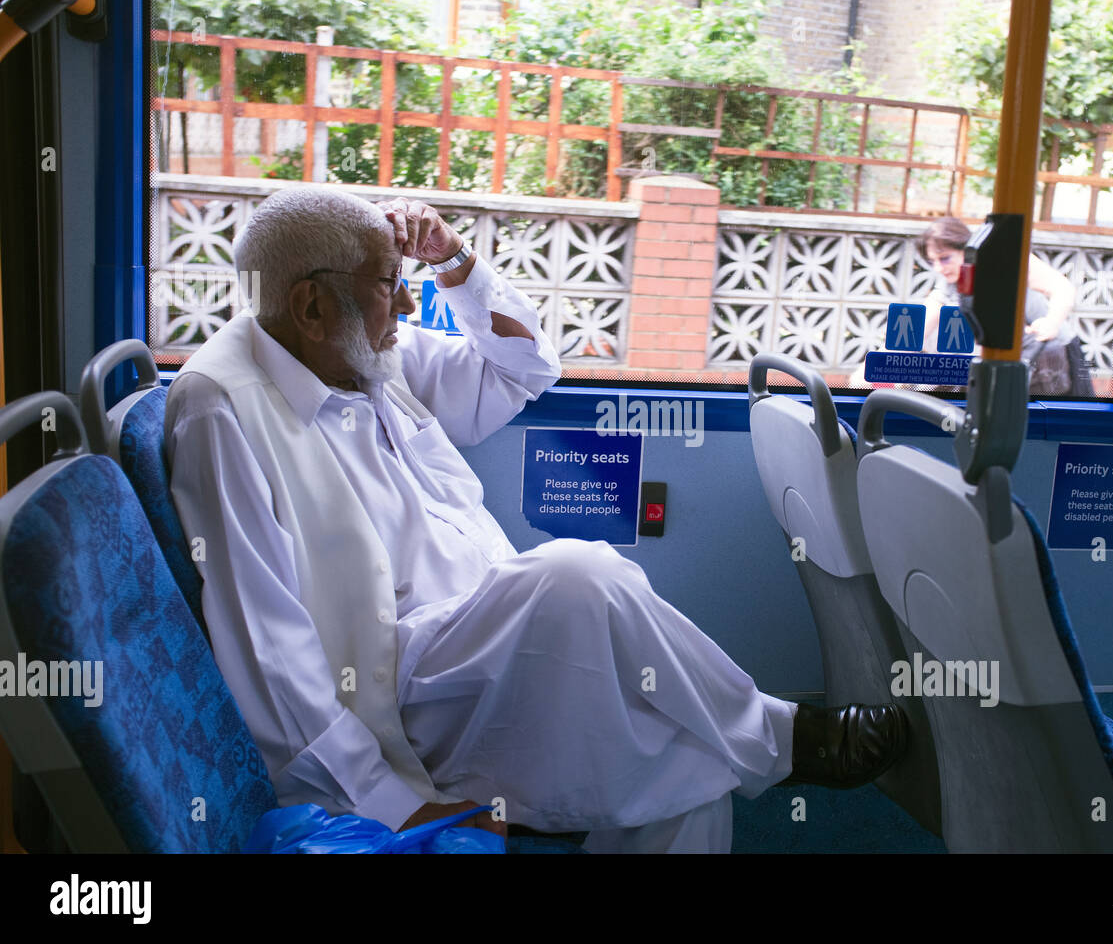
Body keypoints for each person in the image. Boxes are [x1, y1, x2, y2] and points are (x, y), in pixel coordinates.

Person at [163, 186, 907, 853]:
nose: (410, 307)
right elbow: (269, 644)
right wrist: (393, 802)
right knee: (576, 571)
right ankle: (783, 736)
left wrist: (453, 260)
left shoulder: (364, 352)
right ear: (311, 306)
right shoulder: (223, 409)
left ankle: (753, 742)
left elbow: (523, 371)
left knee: (693, 770)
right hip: (408, 694)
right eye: (391, 286)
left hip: (499, 651)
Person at [918, 216, 1095, 397]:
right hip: (1010, 357)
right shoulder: (952, 275)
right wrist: (899, 346)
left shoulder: (1007, 257)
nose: (939, 268)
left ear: (966, 248)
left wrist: (1052, 322)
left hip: (1050, 354)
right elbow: (931, 311)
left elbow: (1062, 287)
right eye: (933, 261)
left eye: (945, 258)